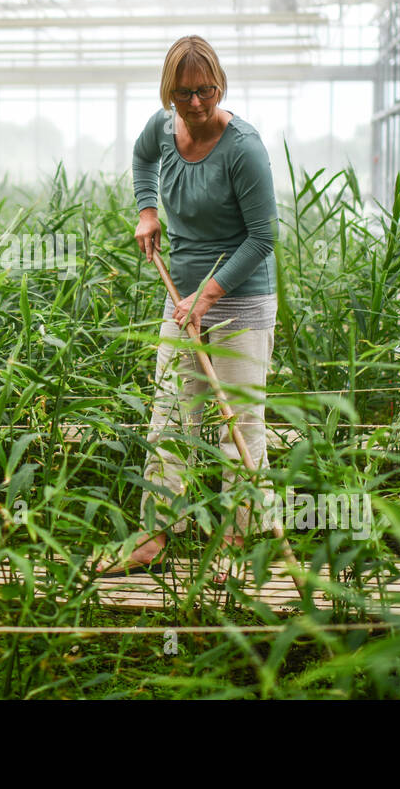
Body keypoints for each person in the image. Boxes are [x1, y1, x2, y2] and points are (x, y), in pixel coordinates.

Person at [94, 35, 278, 583]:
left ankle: (236, 544)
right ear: (168, 93)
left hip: (240, 302)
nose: (195, 104)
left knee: (238, 424)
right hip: (181, 303)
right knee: (170, 417)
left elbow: (263, 237)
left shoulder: (243, 147)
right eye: (183, 94)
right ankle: (152, 536)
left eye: (205, 91)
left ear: (219, 85)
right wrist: (147, 211)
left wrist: (210, 295)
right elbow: (142, 157)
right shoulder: (162, 128)